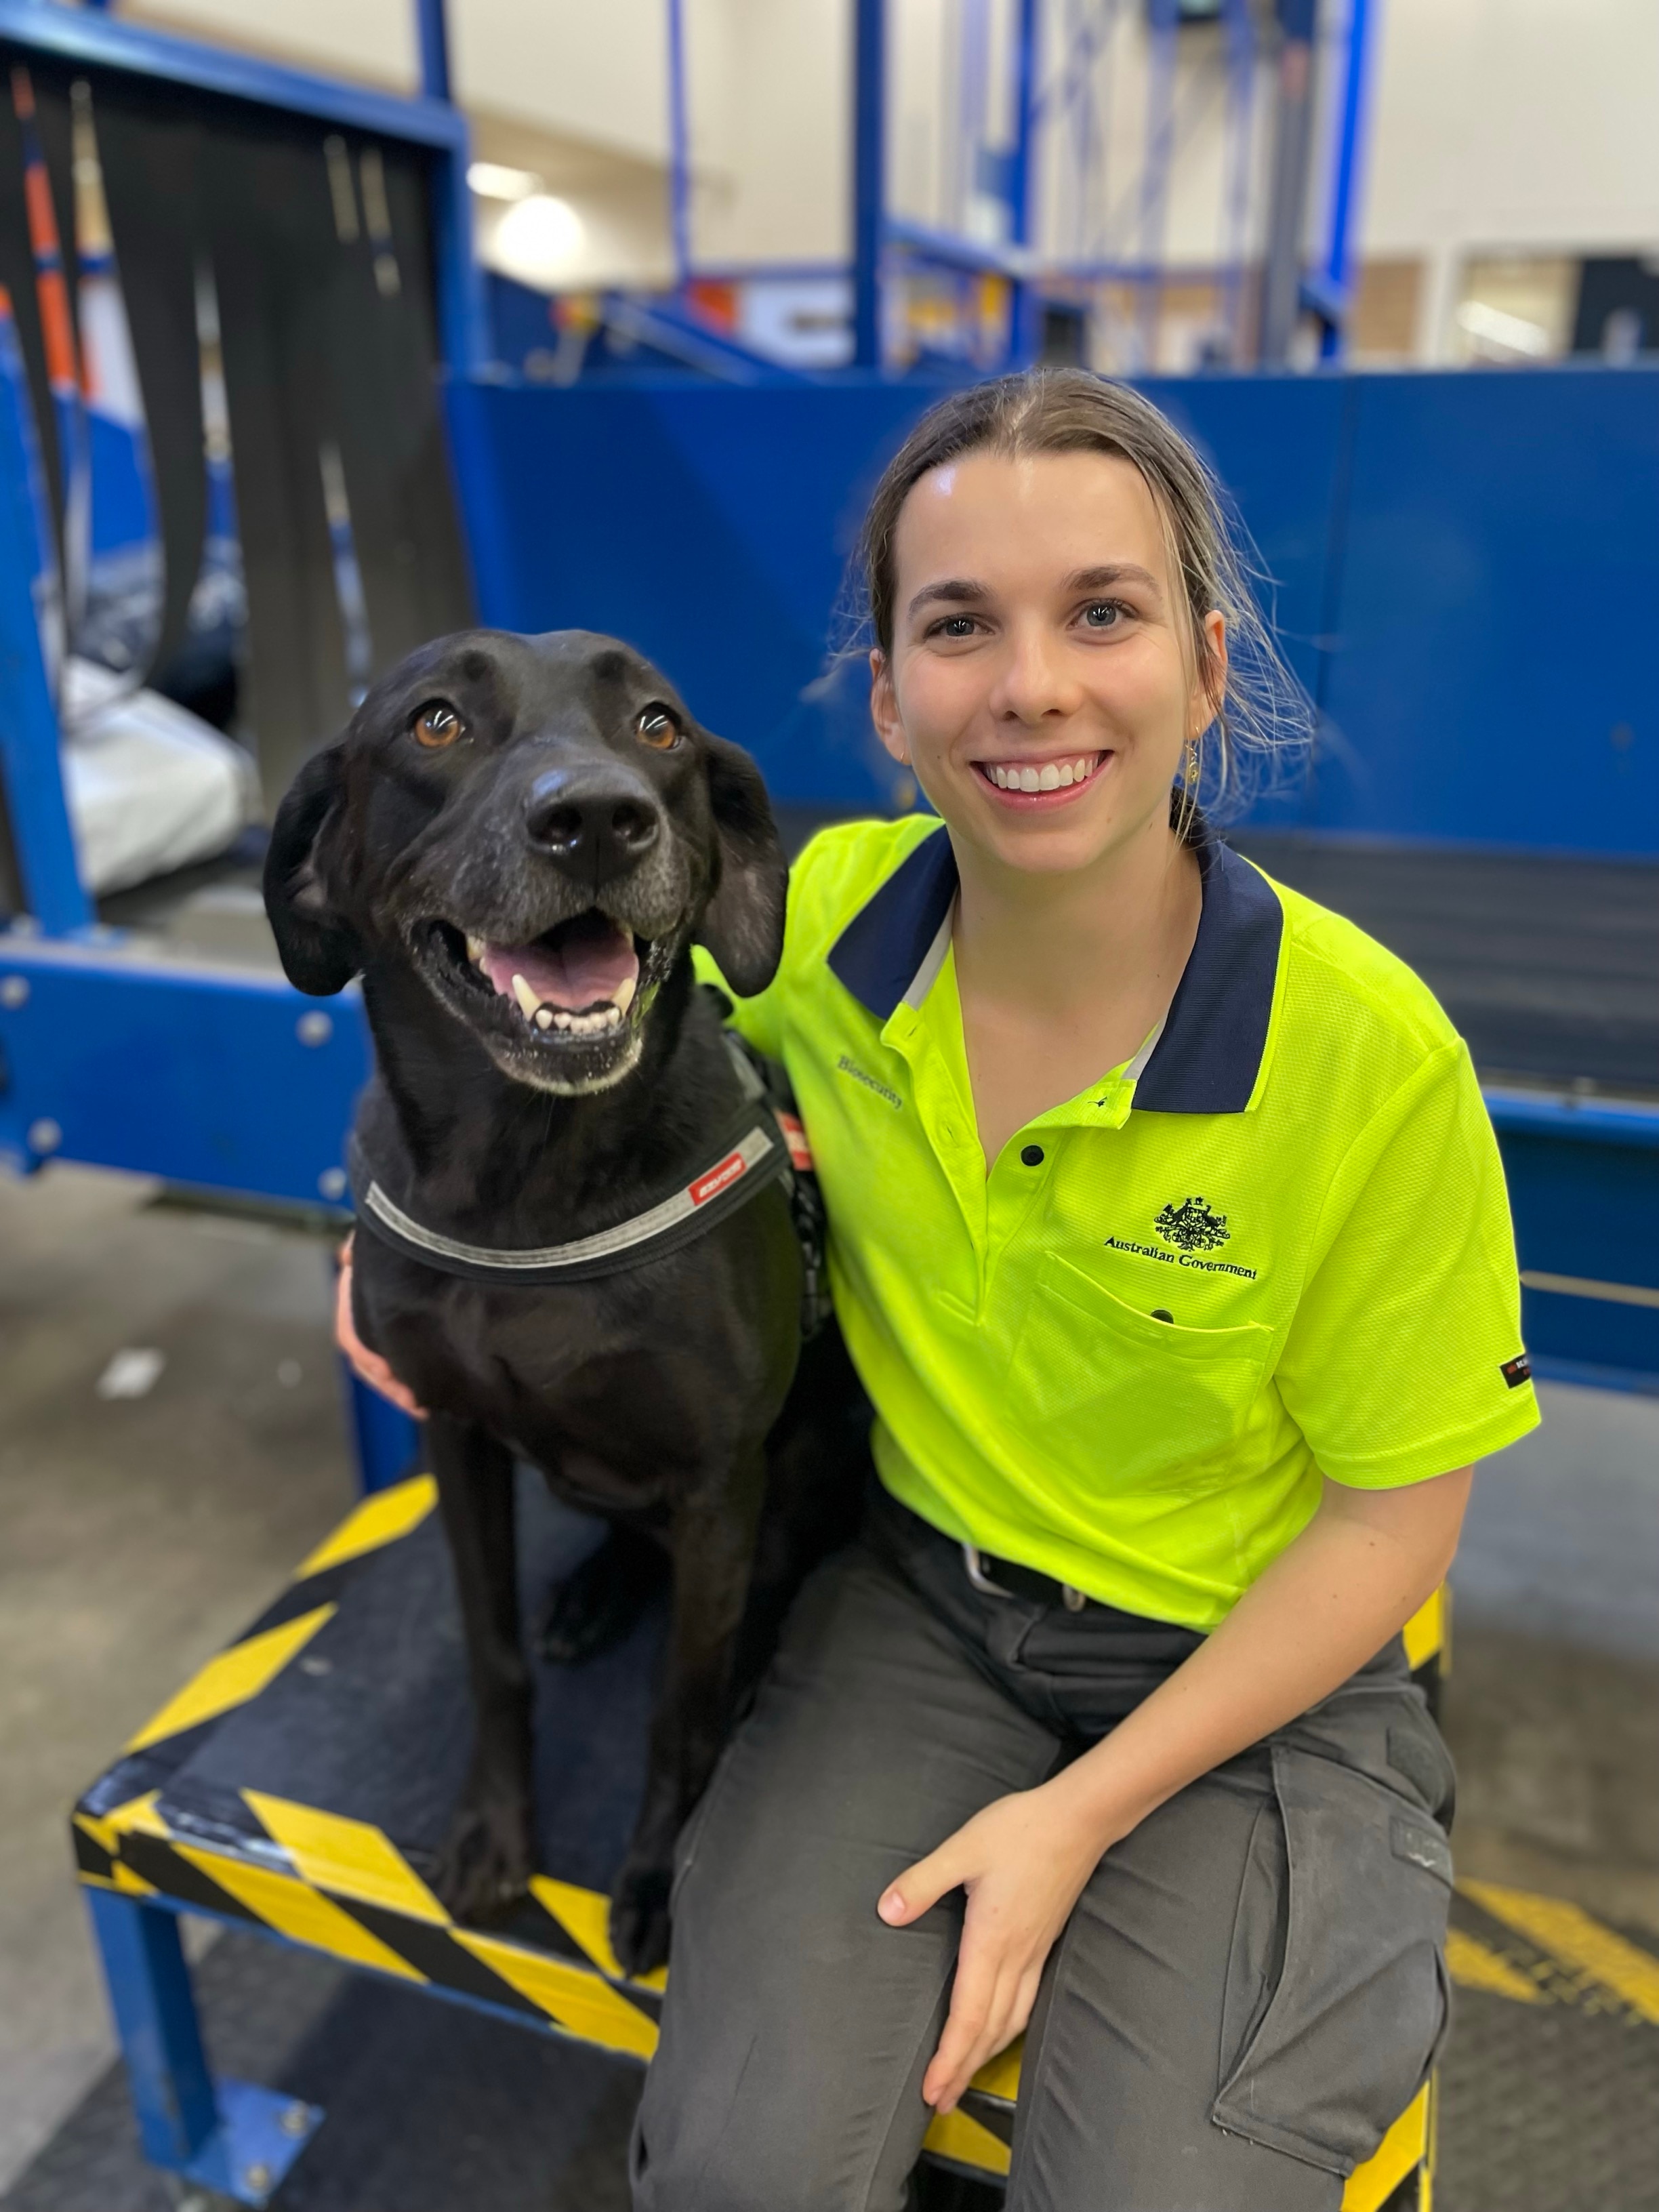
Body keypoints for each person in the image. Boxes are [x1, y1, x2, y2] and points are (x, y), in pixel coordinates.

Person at [337, 369, 1540, 2210]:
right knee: (740, 2176)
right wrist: (390, 1245)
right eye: (962, 625)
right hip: (914, 1609)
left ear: (1210, 669)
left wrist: (1076, 1817)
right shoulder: (814, 927)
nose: (1032, 686)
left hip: (1249, 1665)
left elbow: (1392, 1529)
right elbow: (533, 1034)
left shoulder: (1374, 1065)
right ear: (890, 699)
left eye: (1104, 613)